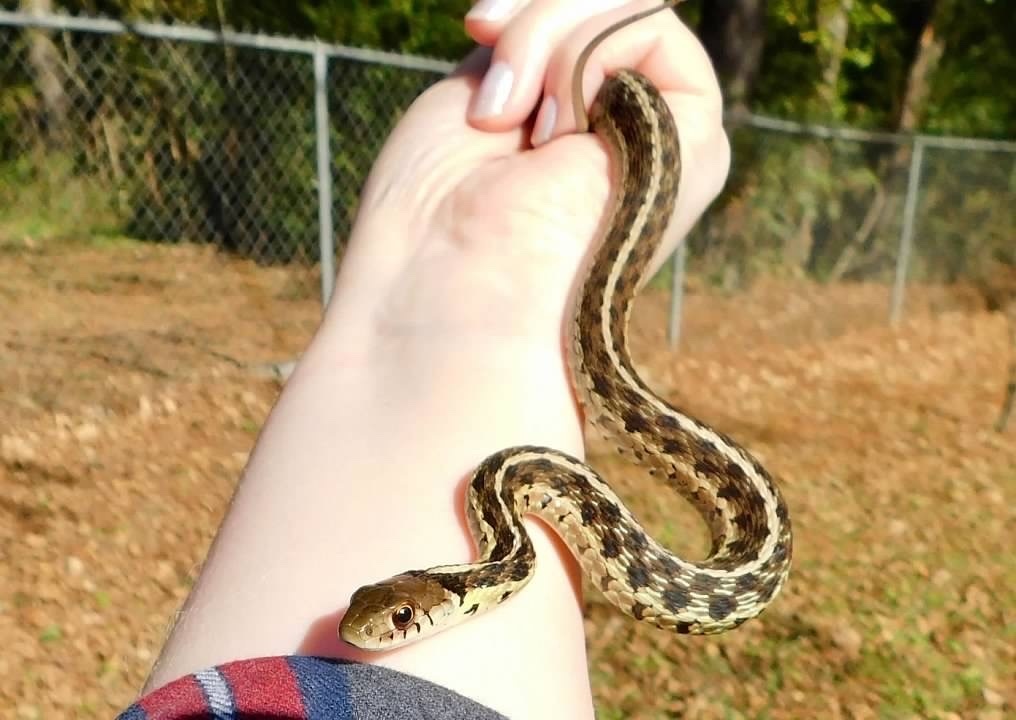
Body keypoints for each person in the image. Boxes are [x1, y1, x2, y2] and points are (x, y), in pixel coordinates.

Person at [118, 0, 730, 717]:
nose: (382, 629)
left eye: (403, 619)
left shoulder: (500, 502)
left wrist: (469, 271)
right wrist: (453, 281)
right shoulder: (500, 514)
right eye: (395, 617)